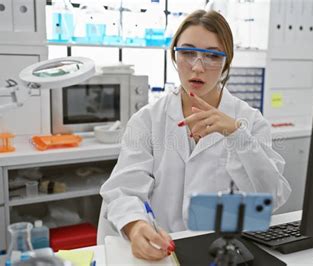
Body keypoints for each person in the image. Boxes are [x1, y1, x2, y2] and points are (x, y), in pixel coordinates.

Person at [100, 9, 291, 261]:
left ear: (226, 62)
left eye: (212, 55)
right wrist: (136, 227)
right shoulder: (148, 120)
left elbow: (272, 196)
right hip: (163, 250)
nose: (197, 67)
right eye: (187, 53)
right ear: (174, 55)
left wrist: (236, 135)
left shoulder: (249, 121)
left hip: (224, 252)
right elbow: (124, 190)